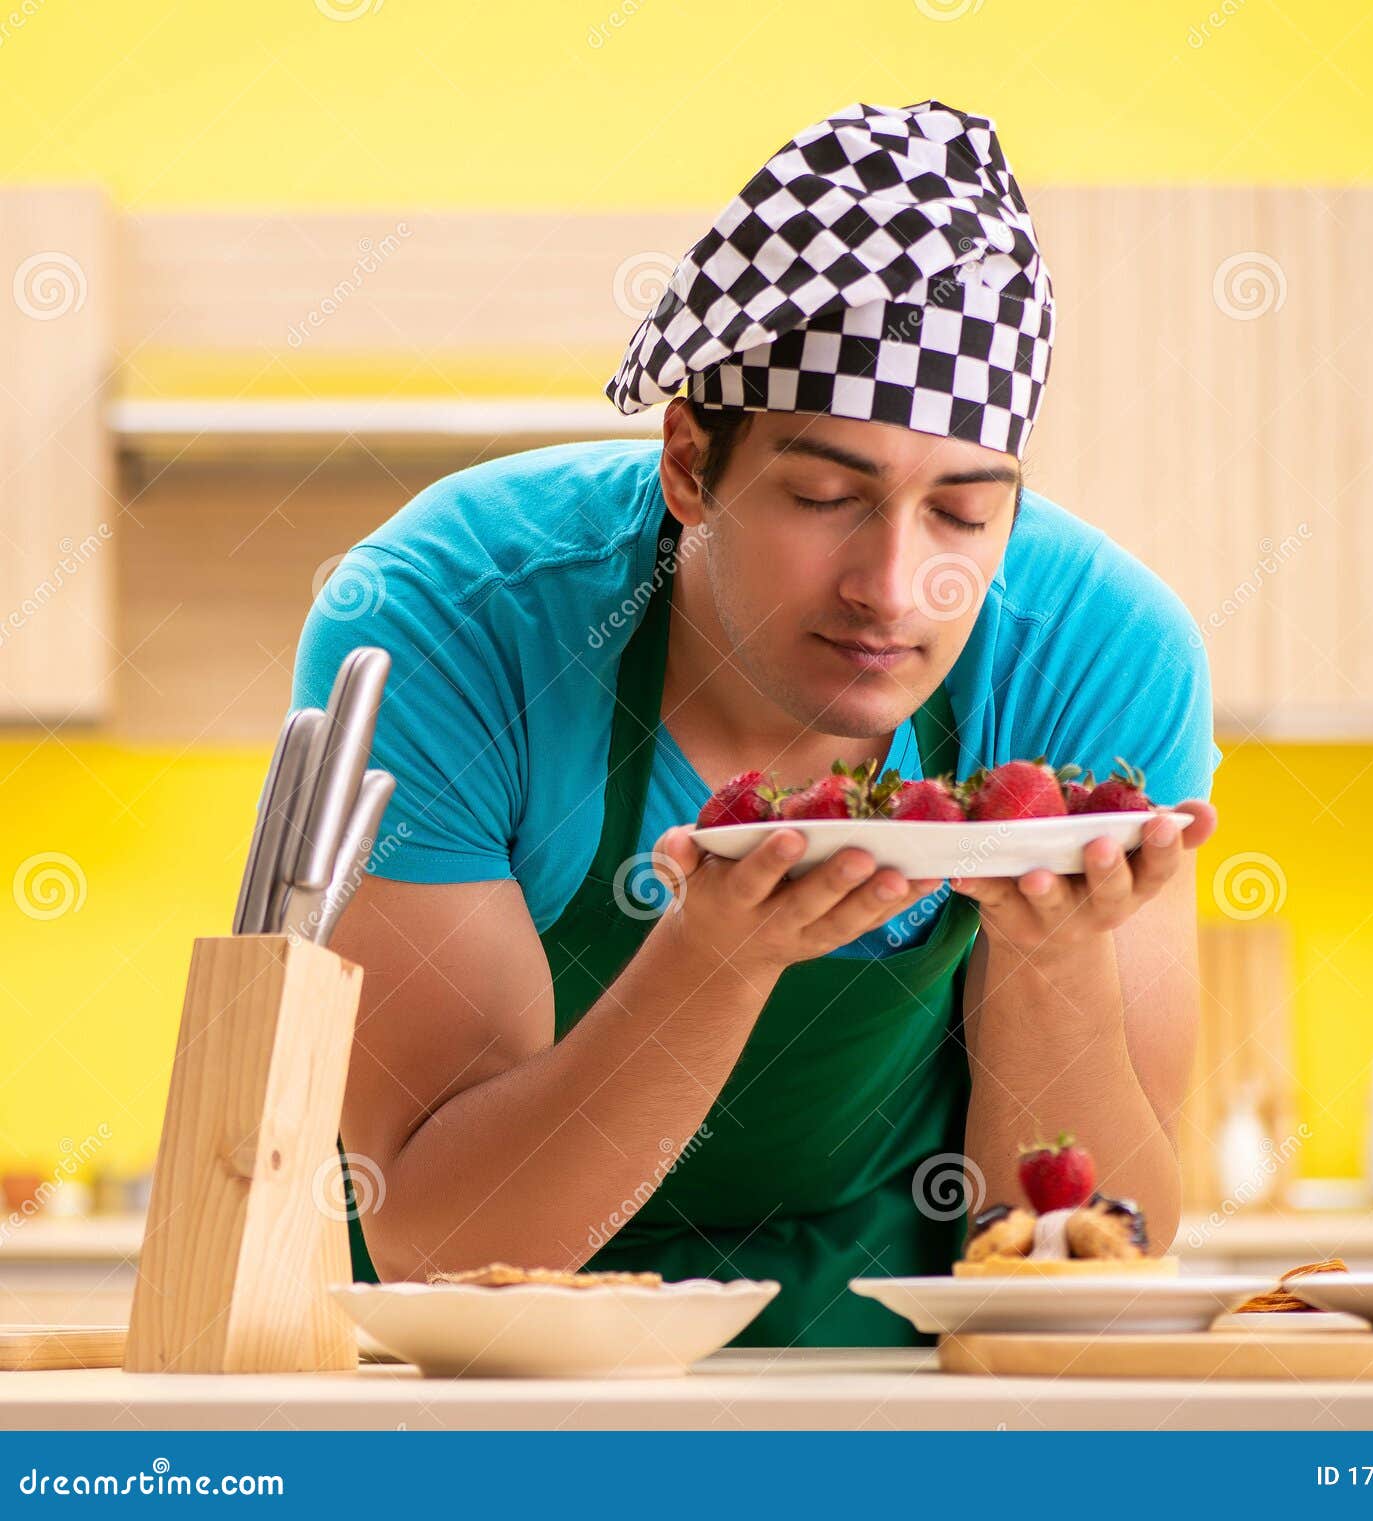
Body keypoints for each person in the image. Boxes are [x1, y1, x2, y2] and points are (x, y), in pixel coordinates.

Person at [292, 99, 1220, 1346]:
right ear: (687, 463)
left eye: (962, 514)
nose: (895, 590)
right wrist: (712, 961)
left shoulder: (1096, 654)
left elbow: (1088, 1263)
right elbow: (442, 1240)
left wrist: (1054, 954)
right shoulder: (457, 616)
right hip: (492, 1365)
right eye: (826, 494)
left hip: (885, 1361)